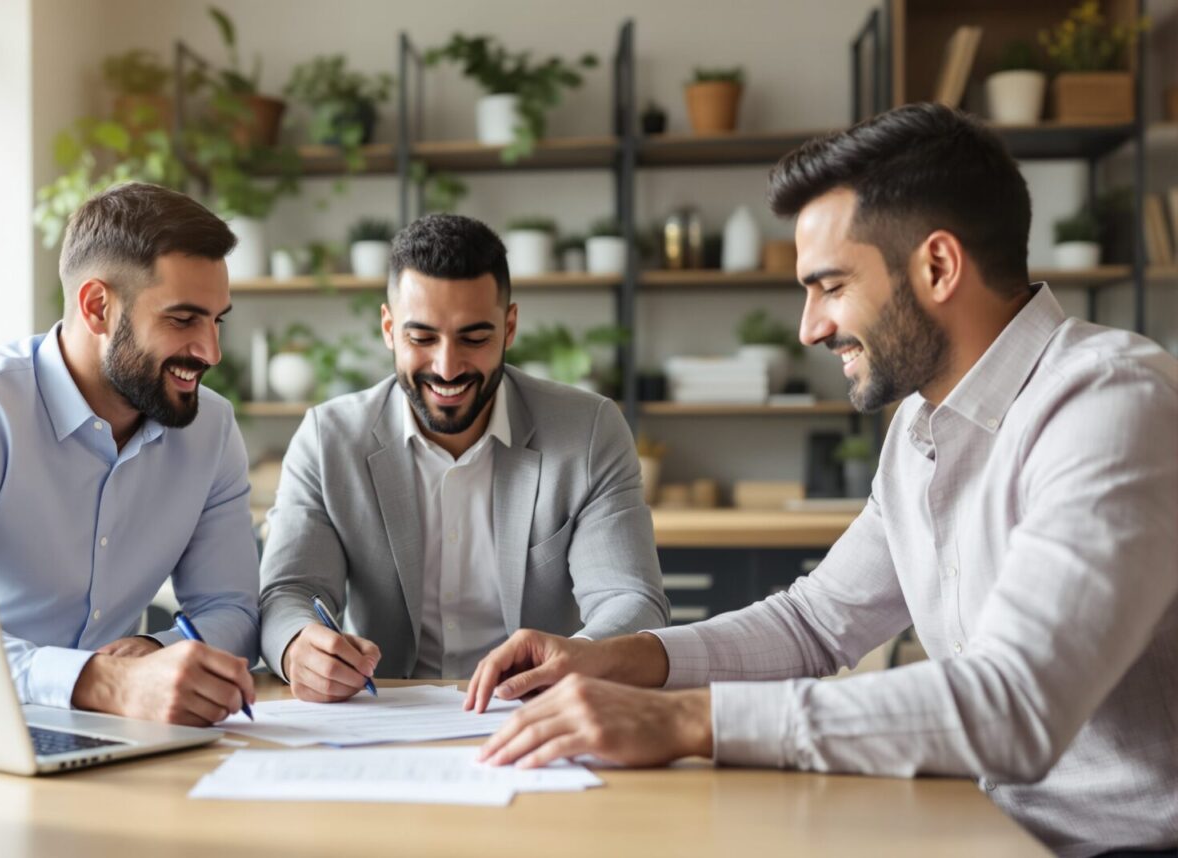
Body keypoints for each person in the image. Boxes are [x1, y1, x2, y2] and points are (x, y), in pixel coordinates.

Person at [465, 104, 1178, 858]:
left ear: (938, 267)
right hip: (989, 829)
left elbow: (1019, 704)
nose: (809, 328)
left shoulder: (1109, 402)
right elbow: (815, 623)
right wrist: (618, 658)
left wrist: (690, 720)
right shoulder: (920, 428)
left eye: (830, 286)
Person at [0, 182, 259, 727]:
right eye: (183, 320)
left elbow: (233, 610)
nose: (211, 352)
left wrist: (152, 653)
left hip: (90, 731)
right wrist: (99, 681)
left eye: (217, 321)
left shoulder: (210, 429)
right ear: (97, 307)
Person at [259, 213, 669, 702]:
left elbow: (632, 600)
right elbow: (288, 591)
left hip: (536, 709)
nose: (447, 367)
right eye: (422, 338)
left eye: (474, 338)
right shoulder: (327, 439)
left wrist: (577, 657)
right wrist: (298, 647)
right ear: (389, 328)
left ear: (509, 327)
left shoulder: (589, 431)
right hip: (385, 710)